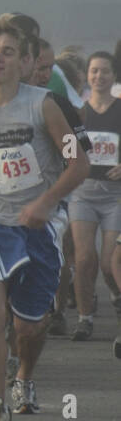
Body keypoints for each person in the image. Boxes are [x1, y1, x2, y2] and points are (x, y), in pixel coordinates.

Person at [0, 20, 89, 421]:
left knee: (30, 327)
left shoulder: (45, 105)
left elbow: (78, 163)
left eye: (8, 51)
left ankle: (24, 374)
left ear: (27, 62)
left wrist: (46, 203)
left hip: (40, 227)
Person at [68, 51, 121, 342]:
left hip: (115, 196)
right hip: (83, 193)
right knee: (84, 257)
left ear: (114, 76)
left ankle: (115, 294)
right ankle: (84, 317)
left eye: (105, 71)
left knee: (109, 262)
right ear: (87, 76)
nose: (99, 77)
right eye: (94, 71)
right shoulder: (79, 112)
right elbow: (67, 152)